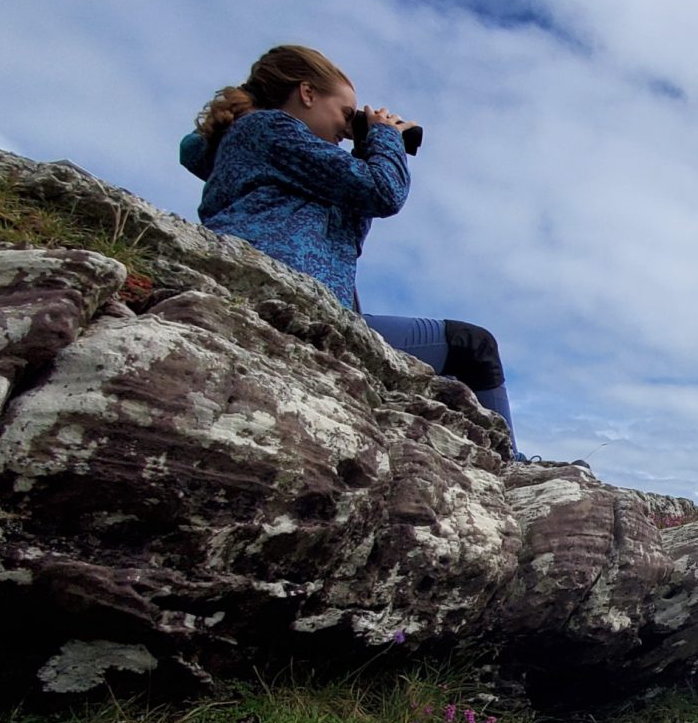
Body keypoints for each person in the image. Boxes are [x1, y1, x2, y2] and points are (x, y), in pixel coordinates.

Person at [181, 44, 523, 454]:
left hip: (323, 306)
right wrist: (382, 136)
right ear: (307, 94)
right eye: (346, 113)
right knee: (473, 346)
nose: (347, 128)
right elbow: (384, 192)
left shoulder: (276, 152)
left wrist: (367, 145)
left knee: (467, 354)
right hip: (286, 296)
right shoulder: (267, 129)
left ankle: (497, 458)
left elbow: (352, 222)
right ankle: (510, 465)